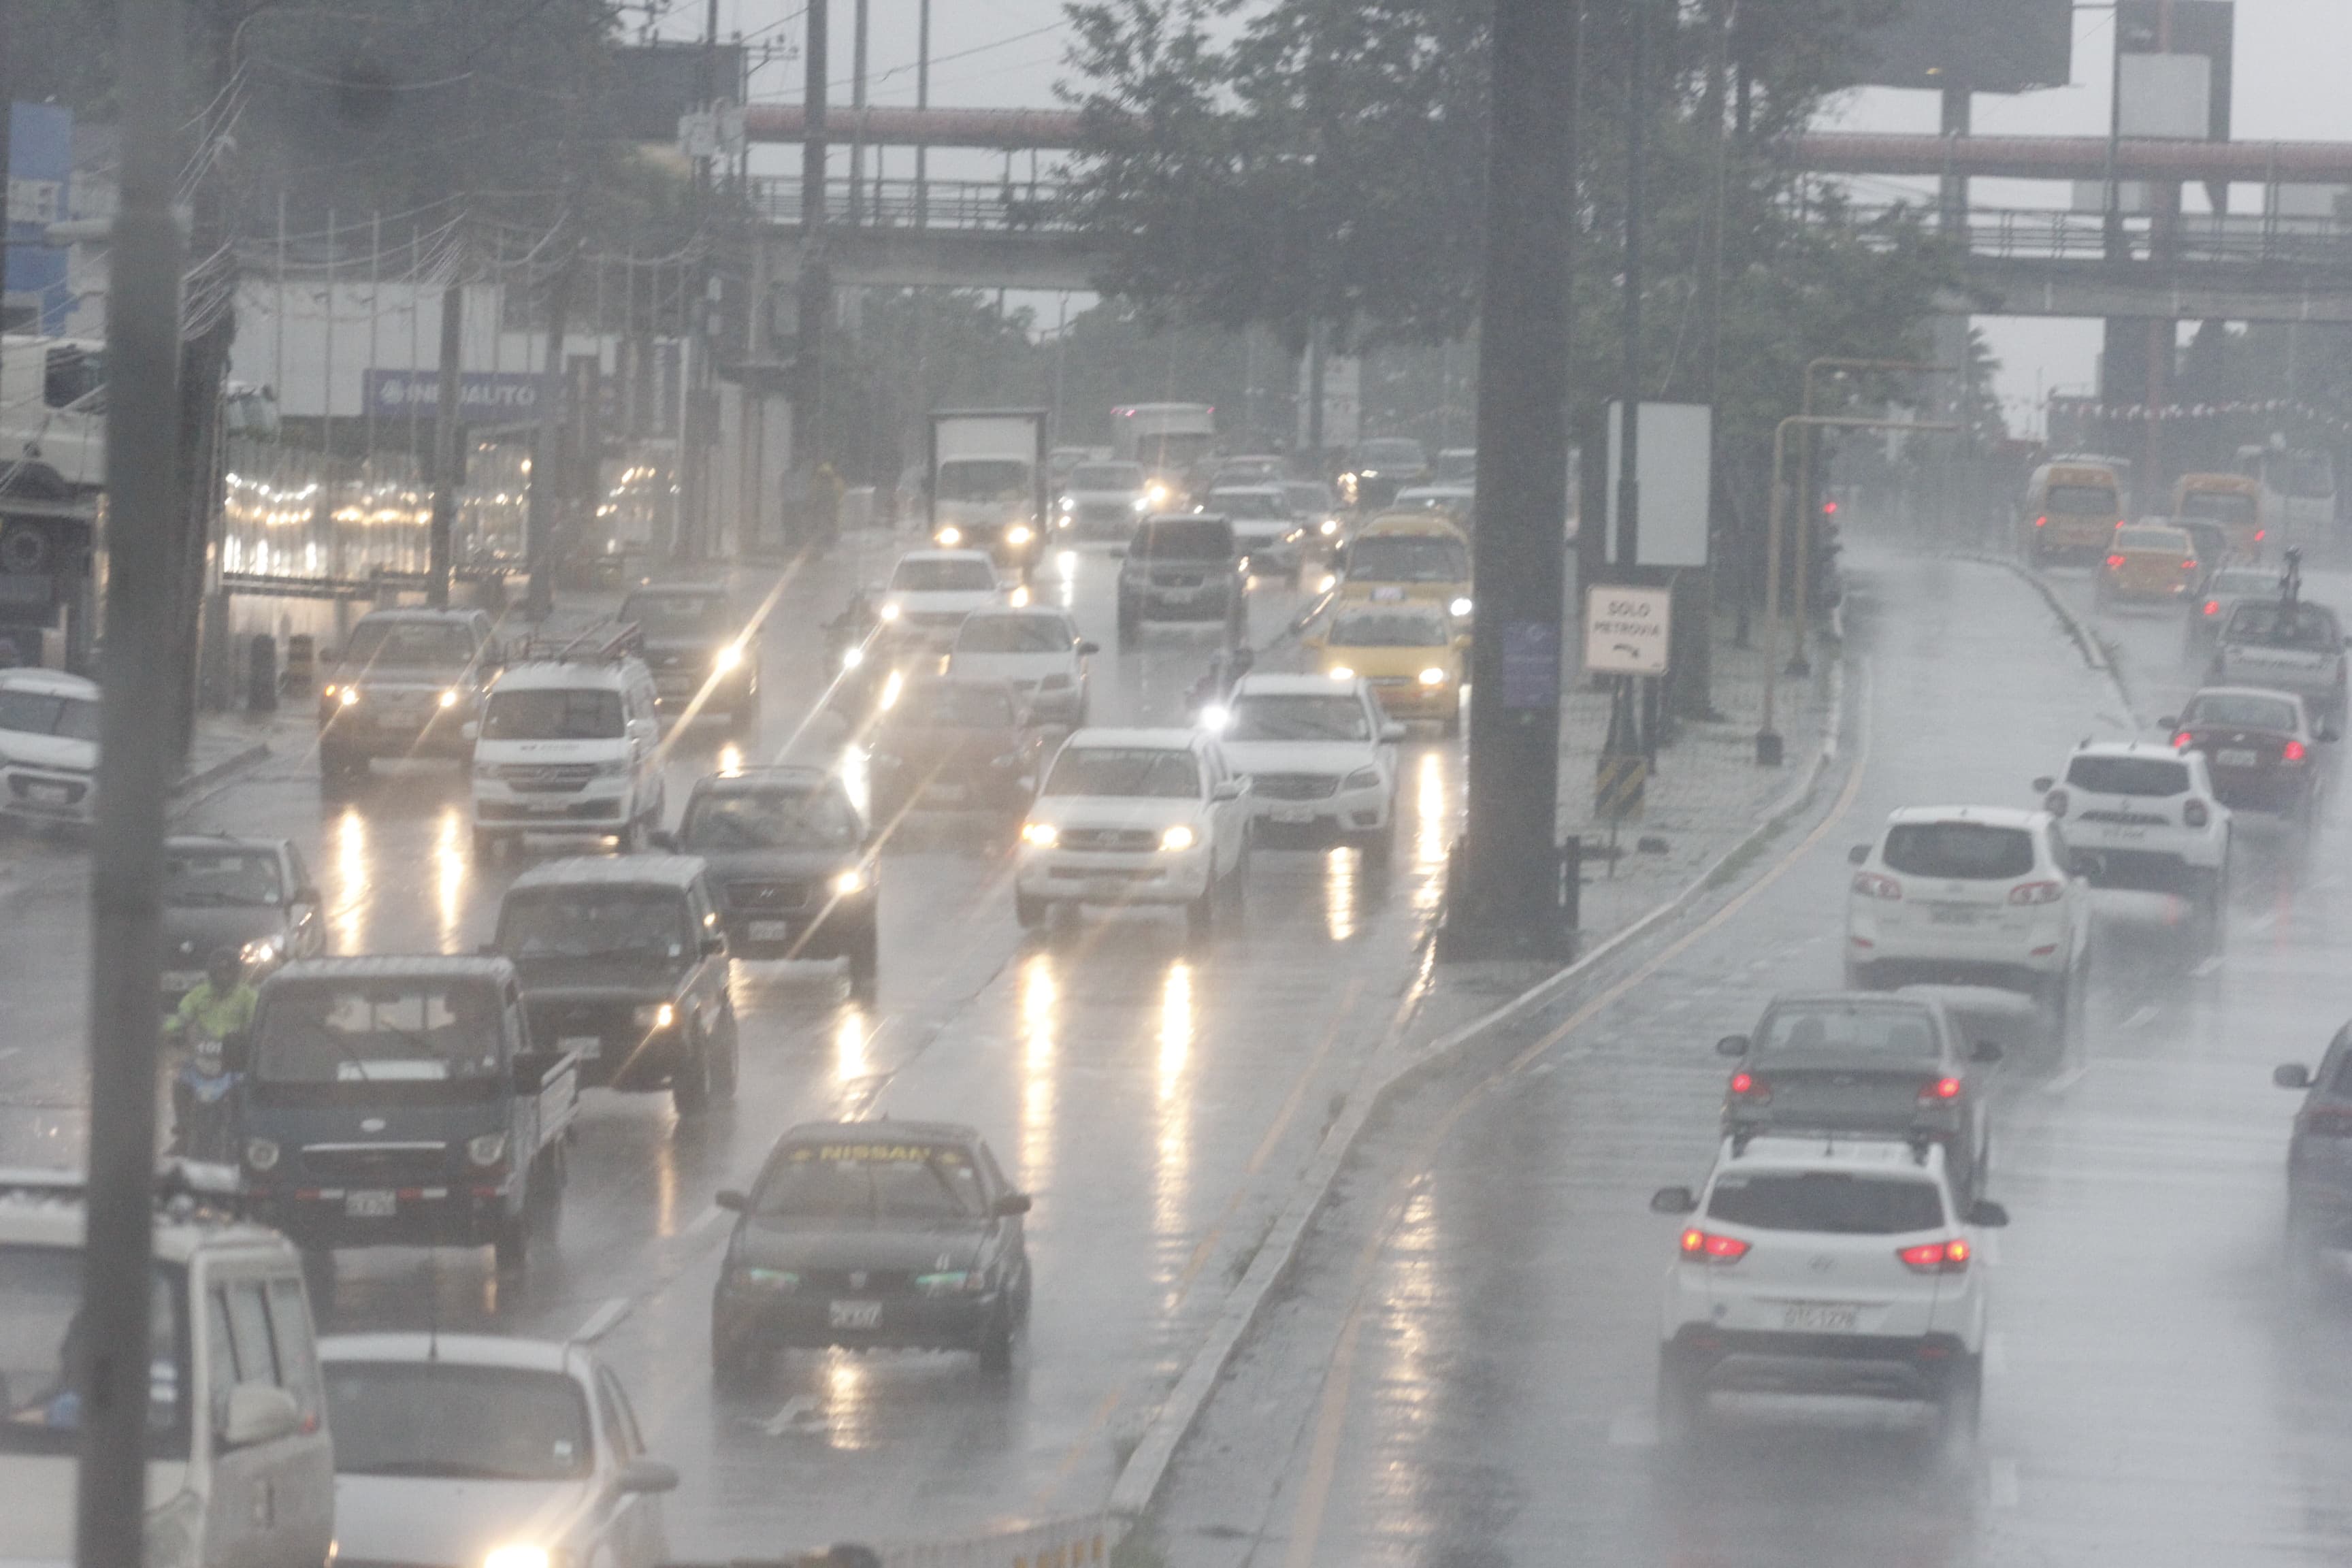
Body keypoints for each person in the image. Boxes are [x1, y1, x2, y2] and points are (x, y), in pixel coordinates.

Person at [166, 948, 258, 1048]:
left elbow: (255, 1027)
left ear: (237, 972)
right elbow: (181, 1018)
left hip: (235, 1054)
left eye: (228, 971)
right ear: (212, 972)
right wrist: (168, 1031)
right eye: (219, 971)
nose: (224, 975)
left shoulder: (249, 997)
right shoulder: (197, 994)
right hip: (200, 1054)